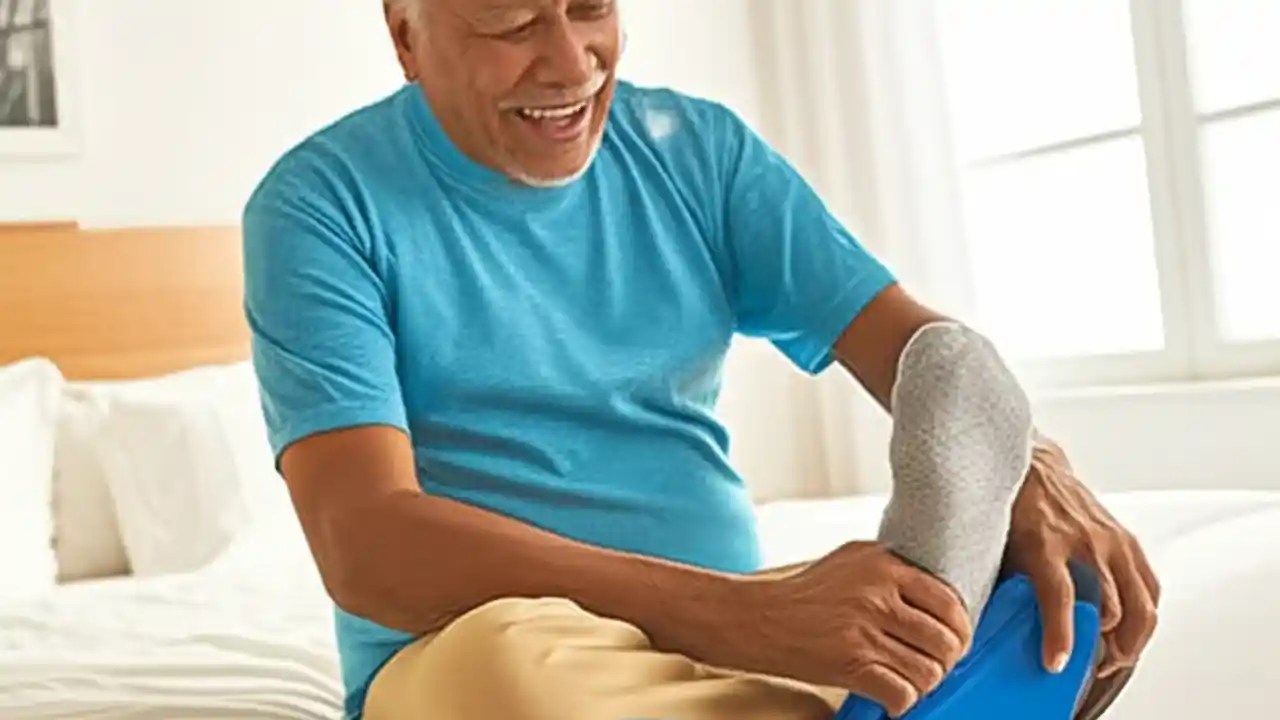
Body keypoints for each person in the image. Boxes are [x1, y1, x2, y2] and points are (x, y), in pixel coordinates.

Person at [241, 1, 1160, 719]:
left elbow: (928, 359)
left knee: (1043, 582)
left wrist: (1035, 472)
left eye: (592, 8)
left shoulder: (700, 153)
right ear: (406, 36)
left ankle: (892, 689)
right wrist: (757, 620)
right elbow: (367, 547)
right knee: (502, 681)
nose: (570, 63)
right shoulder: (320, 206)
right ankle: (907, 704)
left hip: (733, 640)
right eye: (510, 23)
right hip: (502, 649)